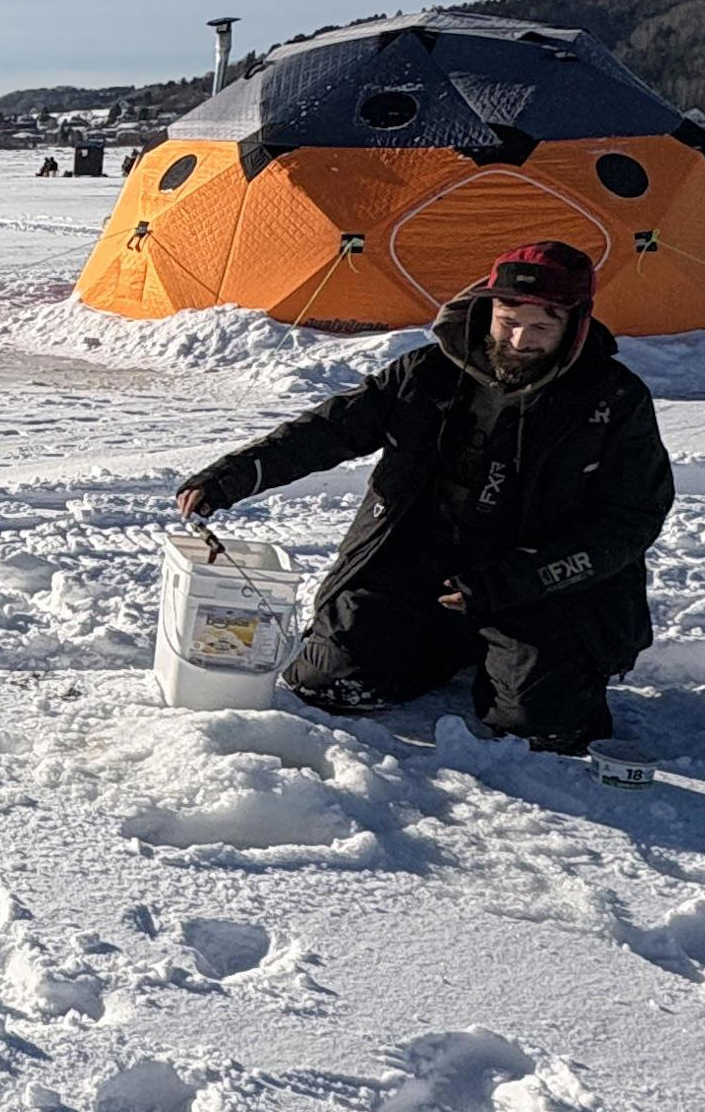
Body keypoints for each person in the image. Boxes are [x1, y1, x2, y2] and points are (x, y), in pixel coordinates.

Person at [173, 241, 671, 751]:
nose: (520, 340)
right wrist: (231, 477)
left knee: (543, 726)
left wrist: (517, 580)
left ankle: (503, 661)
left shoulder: (613, 400)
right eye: (508, 321)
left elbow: (632, 520)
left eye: (541, 327)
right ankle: (451, 650)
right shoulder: (428, 372)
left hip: (538, 585)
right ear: (486, 308)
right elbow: (327, 430)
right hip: (419, 570)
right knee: (328, 681)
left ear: (576, 325)